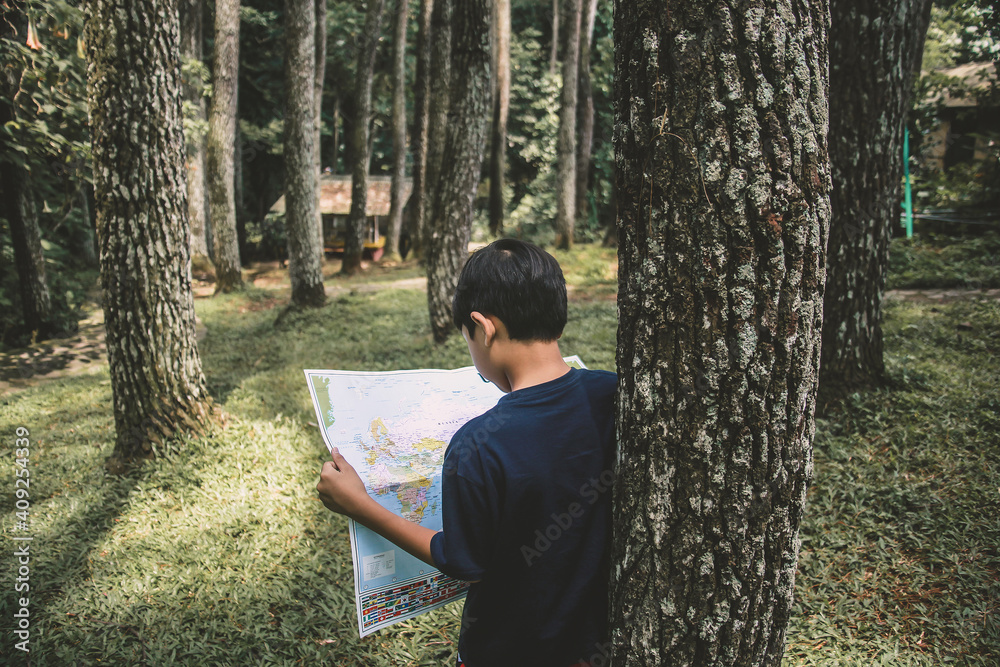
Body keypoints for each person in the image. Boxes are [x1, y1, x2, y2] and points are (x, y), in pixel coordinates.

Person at [317, 239, 617, 666]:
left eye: (467, 340)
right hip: (596, 644)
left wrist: (360, 505)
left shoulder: (479, 445)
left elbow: (466, 561)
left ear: (484, 326)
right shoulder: (613, 395)